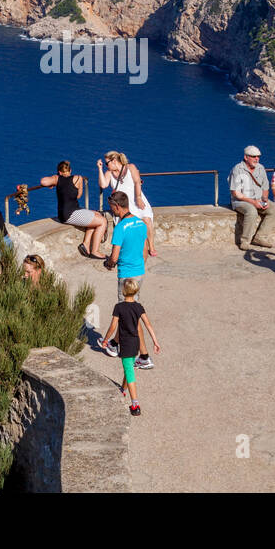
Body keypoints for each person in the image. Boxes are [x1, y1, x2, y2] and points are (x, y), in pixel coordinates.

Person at [105, 191, 154, 370]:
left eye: (112, 207)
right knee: (131, 310)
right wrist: (139, 267)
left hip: (125, 275)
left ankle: (144, 355)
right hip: (139, 273)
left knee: (129, 314)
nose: (111, 211)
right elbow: (145, 249)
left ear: (117, 206)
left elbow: (115, 257)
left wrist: (108, 263)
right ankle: (114, 343)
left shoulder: (120, 227)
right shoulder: (141, 224)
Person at [99, 278, 159, 417]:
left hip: (125, 345)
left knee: (130, 372)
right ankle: (122, 390)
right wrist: (155, 342)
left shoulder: (119, 307)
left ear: (123, 291)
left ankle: (135, 404)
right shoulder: (138, 307)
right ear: (136, 290)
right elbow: (148, 325)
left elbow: (113, 326)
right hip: (135, 343)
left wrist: (106, 340)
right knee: (129, 367)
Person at [37, 160, 107, 258]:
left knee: (97, 215)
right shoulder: (78, 178)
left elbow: (43, 181)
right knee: (103, 221)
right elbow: (78, 196)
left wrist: (54, 180)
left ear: (59, 172)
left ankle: (85, 245)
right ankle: (95, 251)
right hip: (71, 213)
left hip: (64, 214)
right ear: (70, 170)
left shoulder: (57, 178)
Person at [99, 151, 157, 256]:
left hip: (136, 198)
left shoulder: (131, 167)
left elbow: (137, 182)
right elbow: (103, 185)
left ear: (114, 161)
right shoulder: (109, 173)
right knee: (128, 224)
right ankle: (133, 248)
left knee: (147, 219)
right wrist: (99, 169)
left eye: (107, 163)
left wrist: (139, 198)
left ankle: (151, 246)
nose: (106, 166)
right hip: (122, 203)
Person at [229, 145, 275, 251]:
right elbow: (236, 193)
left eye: (258, 156)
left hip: (258, 199)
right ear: (246, 157)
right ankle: (245, 241)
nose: (257, 159)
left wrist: (265, 199)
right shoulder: (237, 169)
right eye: (253, 156)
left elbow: (265, 187)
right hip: (241, 200)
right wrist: (253, 202)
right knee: (252, 211)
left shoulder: (261, 168)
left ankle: (259, 237)